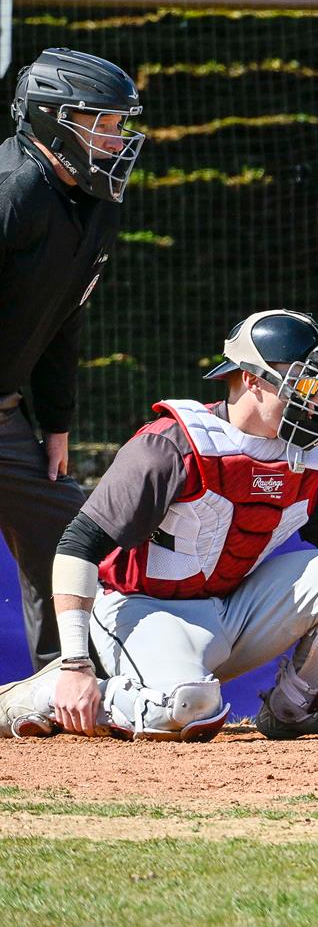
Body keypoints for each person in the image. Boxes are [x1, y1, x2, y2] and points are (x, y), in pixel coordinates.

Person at [0, 310, 318, 740]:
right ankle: (45, 696)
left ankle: (298, 709)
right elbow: (77, 544)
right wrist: (74, 663)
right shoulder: (170, 445)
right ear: (253, 380)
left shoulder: (304, 458)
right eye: (306, 384)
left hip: (229, 607)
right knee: (188, 707)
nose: (317, 401)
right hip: (142, 610)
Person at [0, 49, 145, 671]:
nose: (116, 139)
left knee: (68, 536)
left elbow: (63, 318)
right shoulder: (14, 191)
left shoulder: (95, 203)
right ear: (54, 121)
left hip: (5, 418)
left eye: (119, 125)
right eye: (103, 124)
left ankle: (64, 684)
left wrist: (55, 425)